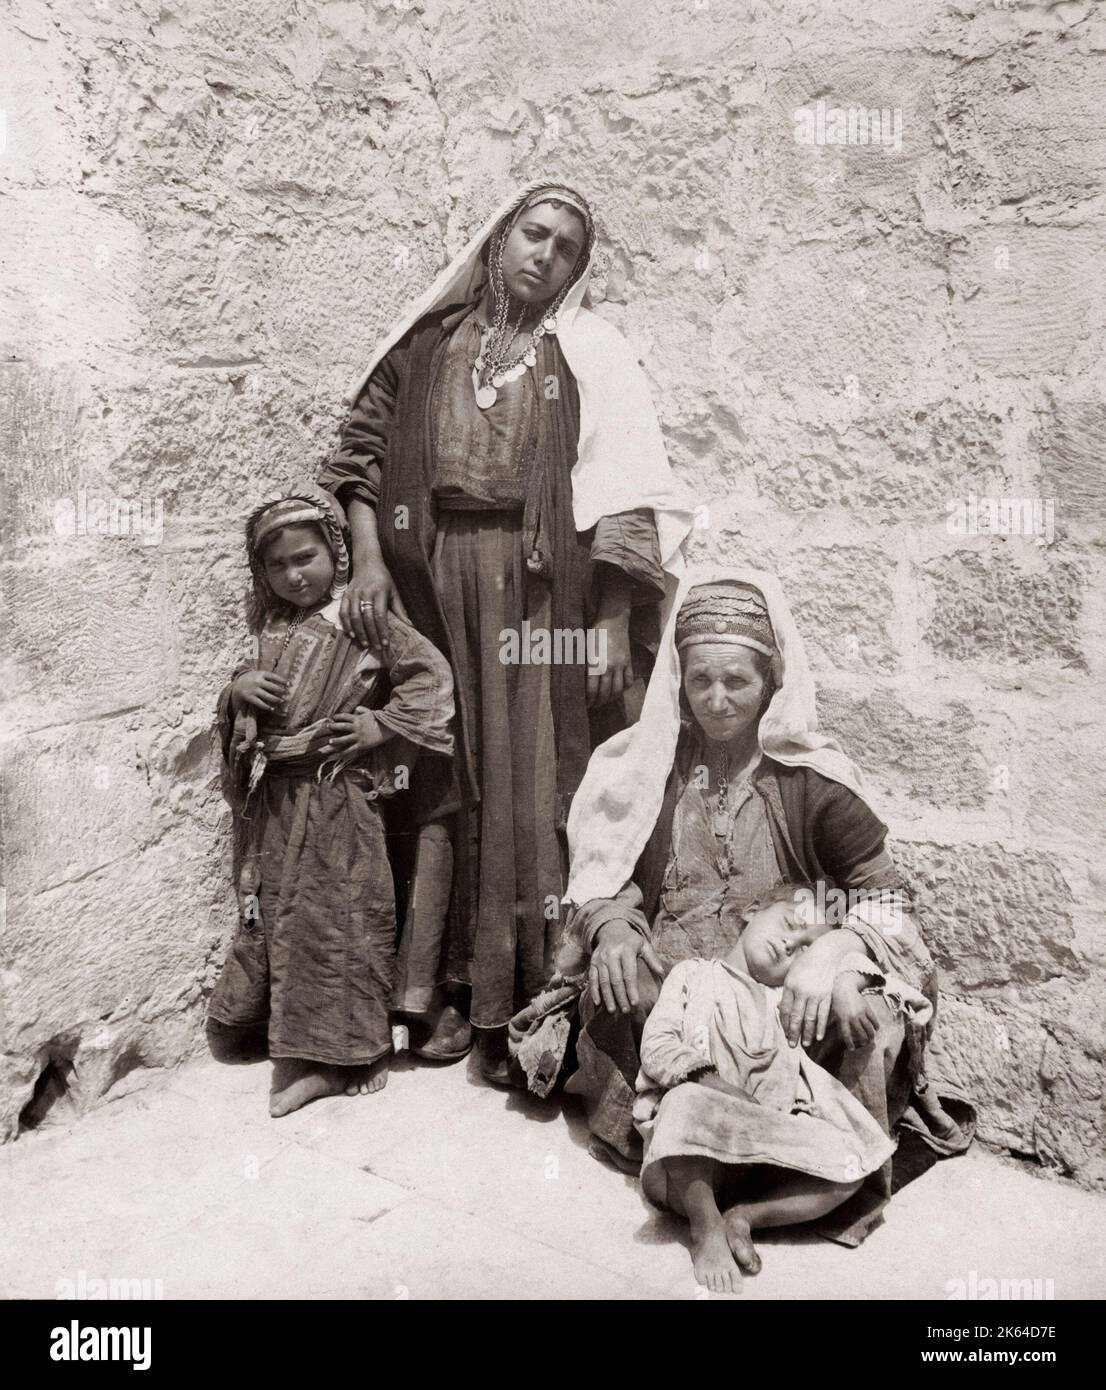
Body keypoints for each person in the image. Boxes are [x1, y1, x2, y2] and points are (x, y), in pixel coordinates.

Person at [317, 180, 693, 1080]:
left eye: (565, 248)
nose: (544, 254)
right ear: (497, 237)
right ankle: (444, 997)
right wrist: (368, 562)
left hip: (541, 594)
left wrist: (608, 618)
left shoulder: (587, 353)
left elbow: (628, 482)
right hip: (430, 579)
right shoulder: (428, 347)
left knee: (535, 781)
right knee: (451, 780)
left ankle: (528, 1005)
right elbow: (359, 453)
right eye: (534, 232)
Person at [541, 565, 973, 1246]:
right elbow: (610, 870)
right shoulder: (655, 766)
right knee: (619, 984)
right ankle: (740, 1149)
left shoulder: (811, 783)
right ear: (678, 684)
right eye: (700, 680)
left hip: (784, 1004)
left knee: (871, 1012)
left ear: (773, 681)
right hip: (687, 996)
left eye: (737, 681)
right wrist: (614, 928)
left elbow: (888, 895)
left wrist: (833, 952)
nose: (717, 700)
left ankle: (747, 1155)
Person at [206, 484, 454, 1116]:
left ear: (336, 556)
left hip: (340, 797)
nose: (294, 575)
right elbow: (242, 715)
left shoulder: (360, 616)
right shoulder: (270, 628)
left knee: (346, 922)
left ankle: (361, 1053)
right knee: (288, 922)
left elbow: (430, 675)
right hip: (280, 803)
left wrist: (380, 726)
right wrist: (239, 690)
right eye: (278, 565)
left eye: (306, 558)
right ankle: (298, 1053)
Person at [636, 882, 935, 1292]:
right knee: (685, 1101)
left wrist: (846, 983)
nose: (788, 944)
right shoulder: (692, 974)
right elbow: (657, 1045)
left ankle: (745, 1216)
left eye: (802, 950)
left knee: (853, 1163)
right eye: (789, 924)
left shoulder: (787, 1001)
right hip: (684, 1166)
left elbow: (900, 992)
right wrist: (712, 1083)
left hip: (763, 1158)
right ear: (752, 910)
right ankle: (705, 1226)